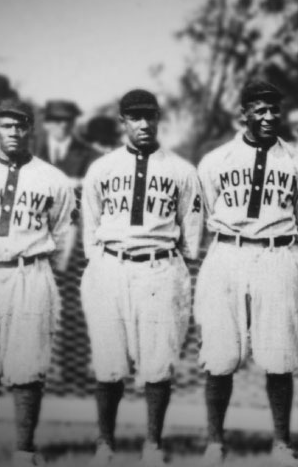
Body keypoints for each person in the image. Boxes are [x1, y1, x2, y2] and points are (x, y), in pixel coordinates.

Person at [194, 82, 298, 465]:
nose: (267, 118)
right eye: (259, 111)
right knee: (219, 353)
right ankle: (216, 442)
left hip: (277, 253)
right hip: (228, 253)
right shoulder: (216, 160)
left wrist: (282, 250)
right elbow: (206, 210)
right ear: (243, 114)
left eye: (273, 110)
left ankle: (281, 442)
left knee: (279, 353)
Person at [80, 89, 205, 466]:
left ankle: (152, 444)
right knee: (108, 361)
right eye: (135, 117)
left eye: (150, 116)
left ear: (159, 118)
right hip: (110, 267)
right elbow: (90, 228)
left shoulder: (181, 169)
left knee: (159, 361)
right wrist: (106, 261)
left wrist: (166, 262)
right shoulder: (101, 168)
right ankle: (105, 444)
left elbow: (192, 232)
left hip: (160, 267)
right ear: (123, 122)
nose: (144, 124)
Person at [0, 100, 75, 466]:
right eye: (6, 126)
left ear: (31, 130)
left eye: (20, 126)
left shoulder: (52, 177)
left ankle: (24, 450)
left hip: (31, 271)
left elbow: (64, 231)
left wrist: (48, 271)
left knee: (28, 365)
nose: (13, 133)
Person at [36, 100, 98, 181]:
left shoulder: (89, 154)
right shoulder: (31, 149)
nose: (64, 125)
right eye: (58, 120)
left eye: (68, 120)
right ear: (46, 124)